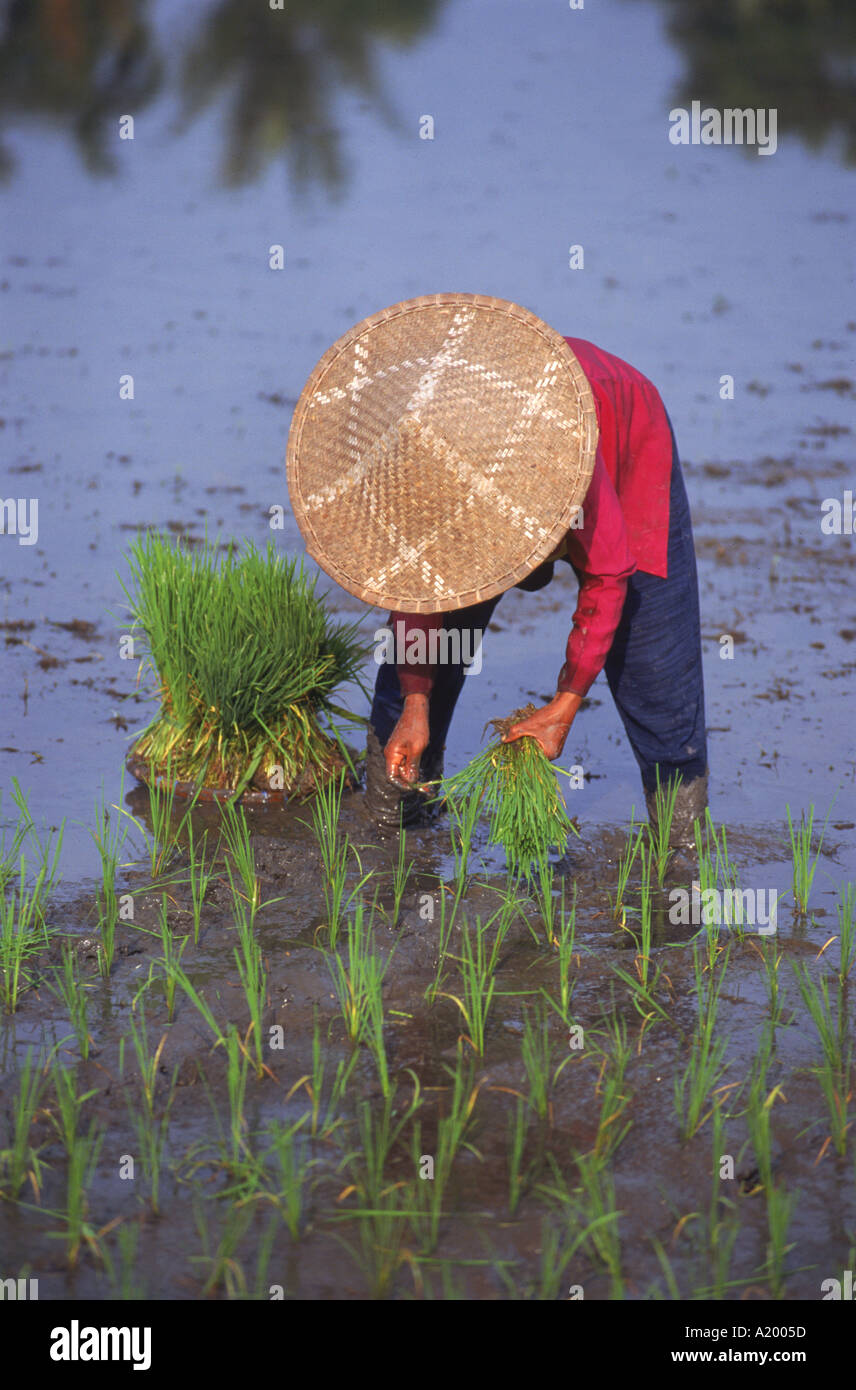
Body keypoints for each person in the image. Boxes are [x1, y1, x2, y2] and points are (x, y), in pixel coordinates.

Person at [286, 293, 708, 849]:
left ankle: (682, 852)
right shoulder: (427, 469)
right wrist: (417, 703)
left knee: (656, 669)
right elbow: (416, 599)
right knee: (421, 668)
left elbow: (609, 574)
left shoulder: (567, 449)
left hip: (621, 434)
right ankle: (396, 827)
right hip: (469, 455)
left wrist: (566, 702)